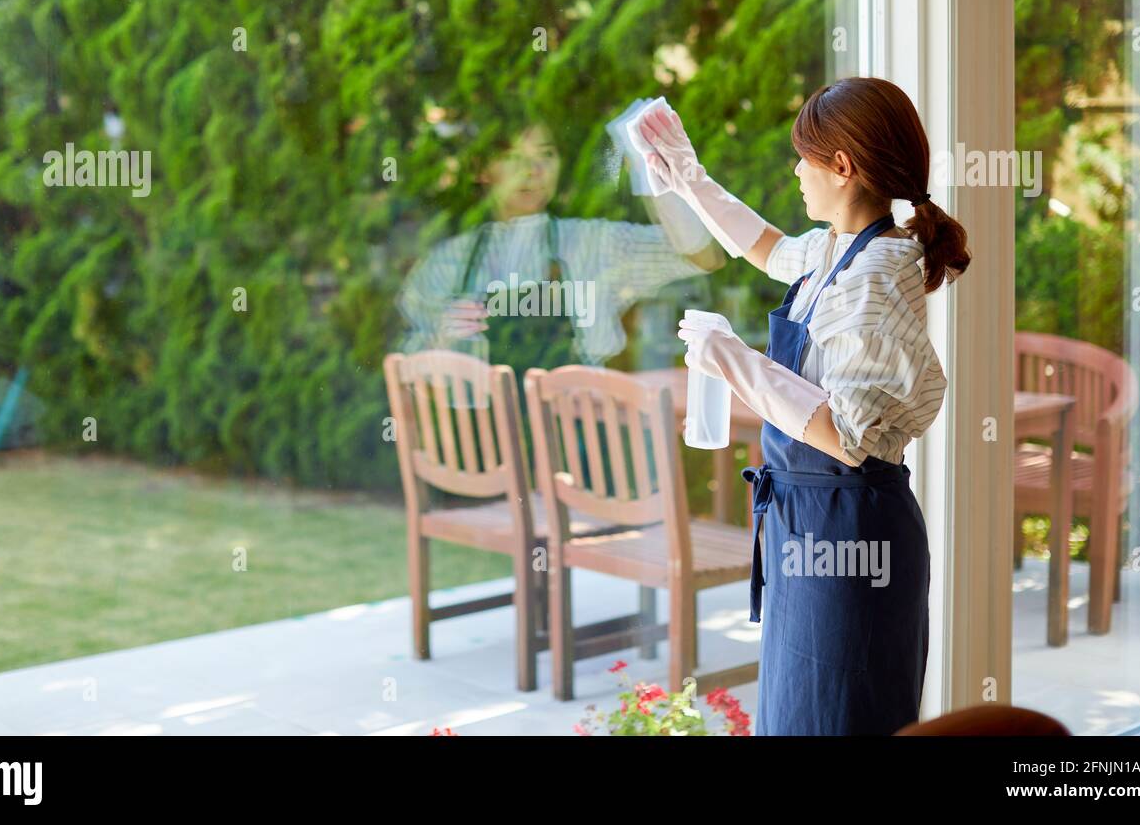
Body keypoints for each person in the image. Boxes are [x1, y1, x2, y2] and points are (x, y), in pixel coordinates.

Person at [639, 76, 971, 736]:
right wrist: (690, 179)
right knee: (797, 716)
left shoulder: (874, 280)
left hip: (852, 538)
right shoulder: (836, 252)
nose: (796, 171)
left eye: (805, 157)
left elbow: (849, 437)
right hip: (807, 525)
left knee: (839, 719)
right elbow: (764, 246)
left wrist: (735, 361)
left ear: (842, 167)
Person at [398, 120, 724, 376]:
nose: (532, 172)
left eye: (545, 155)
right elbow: (410, 383)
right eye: (514, 158)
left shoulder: (594, 243)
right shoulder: (446, 264)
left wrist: (646, 168)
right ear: (484, 170)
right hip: (491, 455)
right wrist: (439, 346)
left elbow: (705, 257)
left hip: (583, 445)